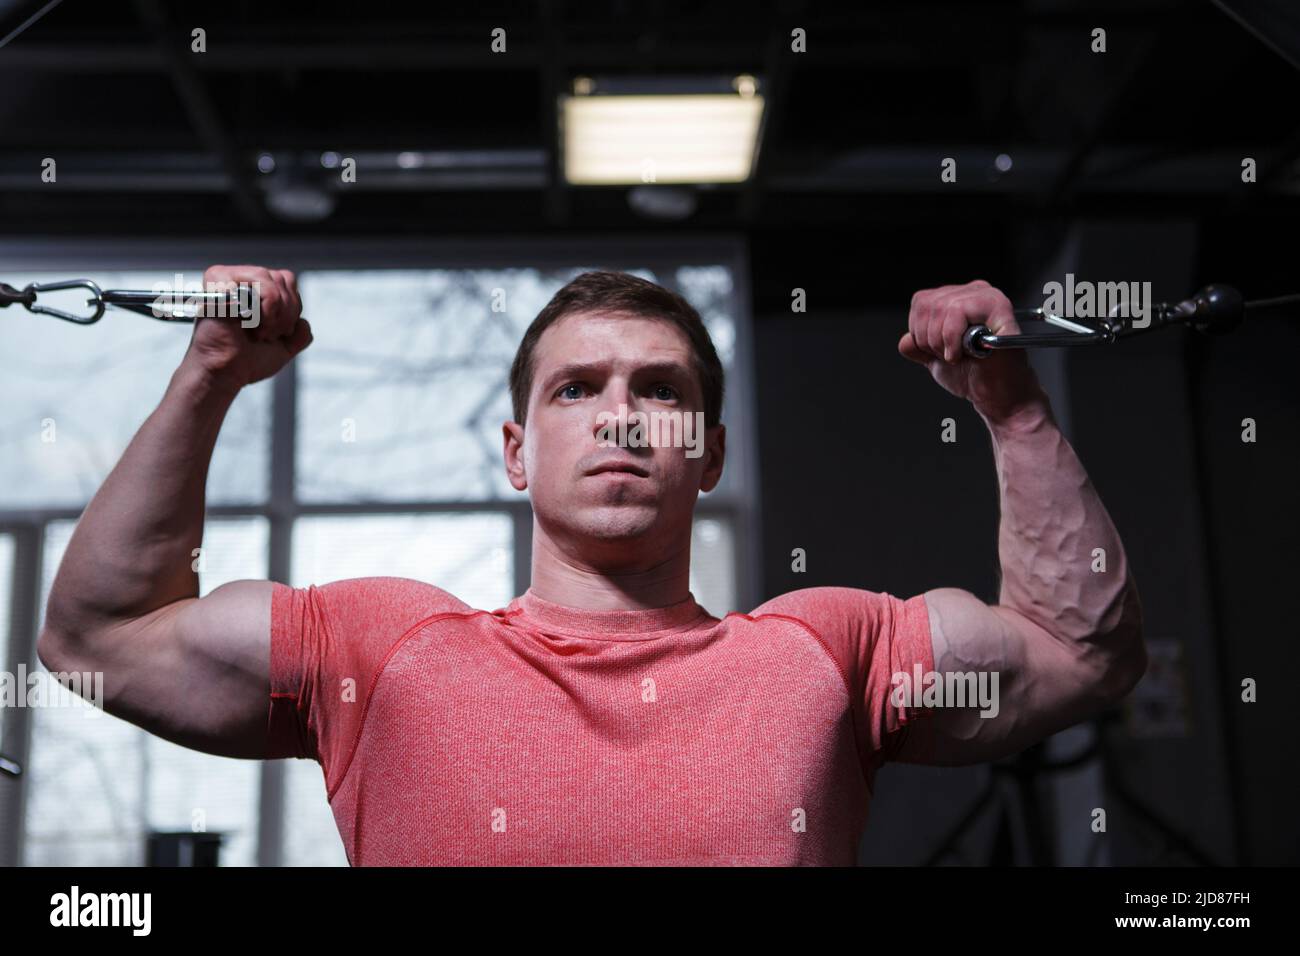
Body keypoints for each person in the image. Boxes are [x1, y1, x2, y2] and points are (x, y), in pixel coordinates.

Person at [37, 265, 1146, 866]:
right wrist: (208, 374)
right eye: (578, 388)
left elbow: (1078, 650)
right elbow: (96, 639)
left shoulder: (826, 649)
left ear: (707, 452)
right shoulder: (381, 651)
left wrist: (1009, 406)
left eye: (660, 390)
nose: (622, 417)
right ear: (517, 453)